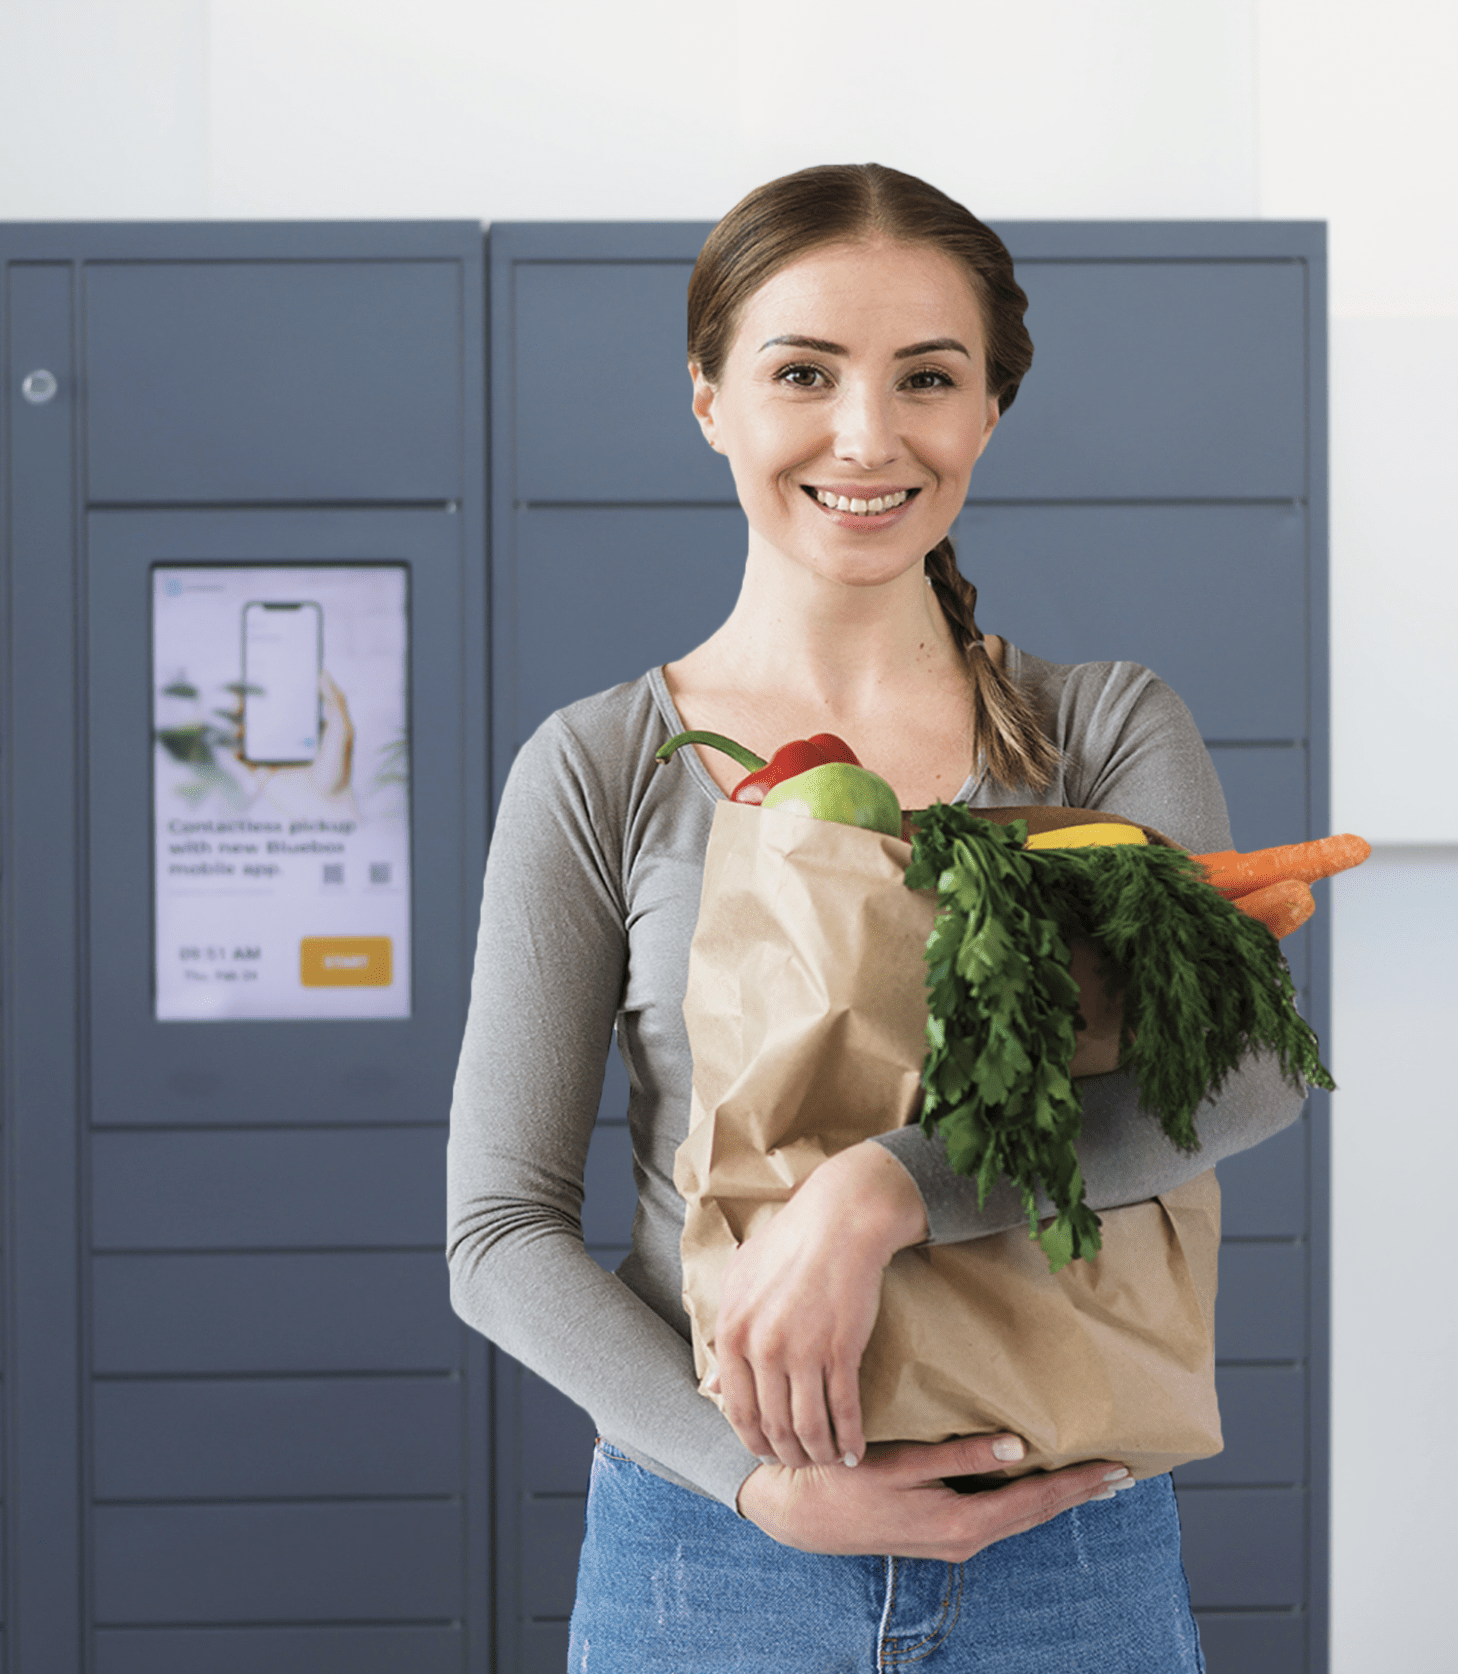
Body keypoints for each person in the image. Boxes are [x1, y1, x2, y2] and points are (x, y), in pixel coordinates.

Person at [447, 163, 1305, 1671]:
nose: (867, 434)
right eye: (802, 373)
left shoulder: (1100, 732)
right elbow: (497, 1232)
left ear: (987, 412)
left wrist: (883, 1192)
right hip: (710, 1556)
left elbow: (1238, 1075)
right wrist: (754, 1482)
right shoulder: (601, 767)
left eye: (927, 376)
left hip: (1070, 1544)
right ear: (709, 399)